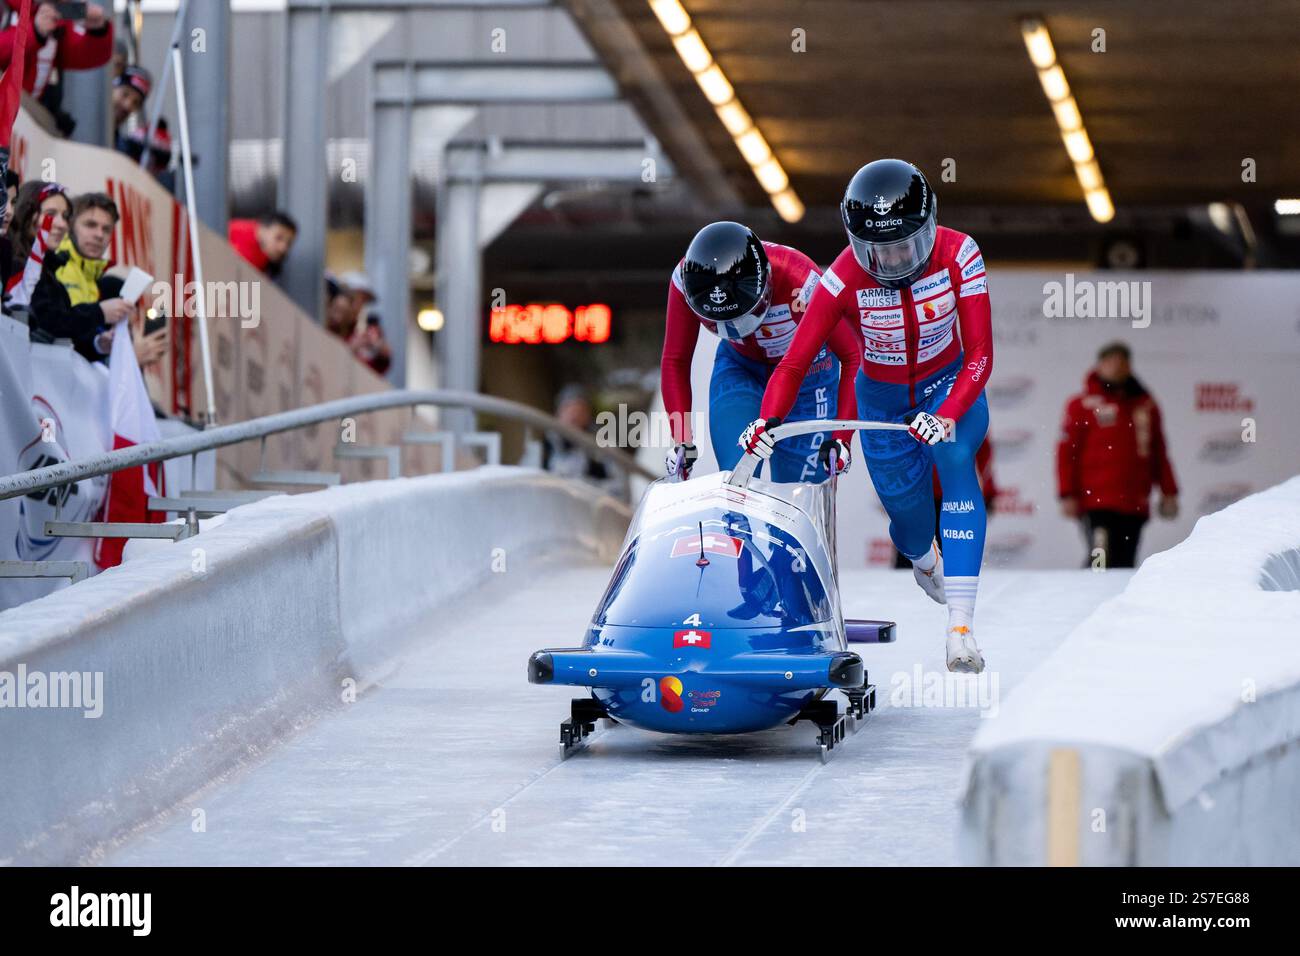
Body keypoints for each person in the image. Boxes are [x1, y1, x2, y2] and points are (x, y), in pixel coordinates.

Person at [744, 159, 993, 673]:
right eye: (879, 250)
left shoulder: (961, 253)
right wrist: (768, 420)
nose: (896, 260)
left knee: (954, 458)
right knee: (910, 526)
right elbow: (793, 363)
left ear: (930, 230)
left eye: (907, 245)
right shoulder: (838, 279)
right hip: (883, 403)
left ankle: (961, 628)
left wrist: (947, 414)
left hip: (948, 384)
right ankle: (924, 559)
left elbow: (980, 355)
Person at [660, 220, 860, 482]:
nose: (736, 329)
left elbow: (853, 356)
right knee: (736, 477)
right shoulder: (684, 281)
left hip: (809, 376)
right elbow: (675, 359)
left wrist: (843, 438)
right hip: (740, 368)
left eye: (744, 318)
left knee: (797, 492)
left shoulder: (801, 279)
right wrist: (681, 438)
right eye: (721, 324)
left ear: (767, 284)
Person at [1056, 342, 1179, 568]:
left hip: (1134, 501)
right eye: (1110, 362)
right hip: (1096, 501)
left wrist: (1169, 491)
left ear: (1129, 367)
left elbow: (1158, 452)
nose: (1116, 367)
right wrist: (1067, 493)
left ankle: (1115, 593)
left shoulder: (1145, 405)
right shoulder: (1082, 405)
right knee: (1100, 559)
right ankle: (1087, 590)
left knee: (1124, 564)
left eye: (1122, 362)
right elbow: (1066, 452)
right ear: (1099, 366)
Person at [6, 182, 130, 361]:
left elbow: (64, 338)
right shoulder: (15, 264)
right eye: (51, 214)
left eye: (65, 217)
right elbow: (47, 322)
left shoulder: (50, 269)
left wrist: (98, 343)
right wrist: (99, 312)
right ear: (26, 213)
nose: (61, 224)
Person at [0, 2, 114, 135]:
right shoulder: (7, 7)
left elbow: (86, 56)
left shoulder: (53, 15)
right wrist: (33, 32)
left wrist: (98, 30)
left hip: (25, 121)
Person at [227, 211, 297, 278]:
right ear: (262, 229)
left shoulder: (269, 255)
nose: (283, 248)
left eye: (289, 243)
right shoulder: (234, 231)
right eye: (279, 238)